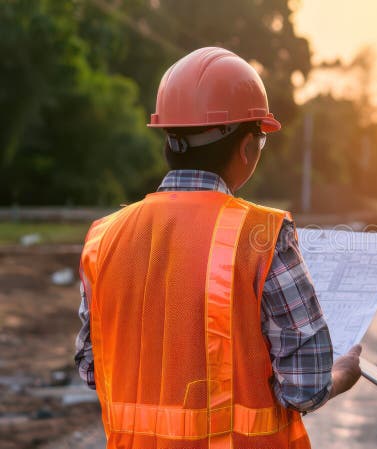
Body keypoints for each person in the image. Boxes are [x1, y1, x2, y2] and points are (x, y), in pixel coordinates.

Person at [74, 47, 362, 449]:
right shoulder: (262, 235)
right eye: (260, 141)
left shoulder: (104, 239)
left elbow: (93, 369)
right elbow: (305, 389)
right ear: (246, 147)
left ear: (168, 141)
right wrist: (341, 375)